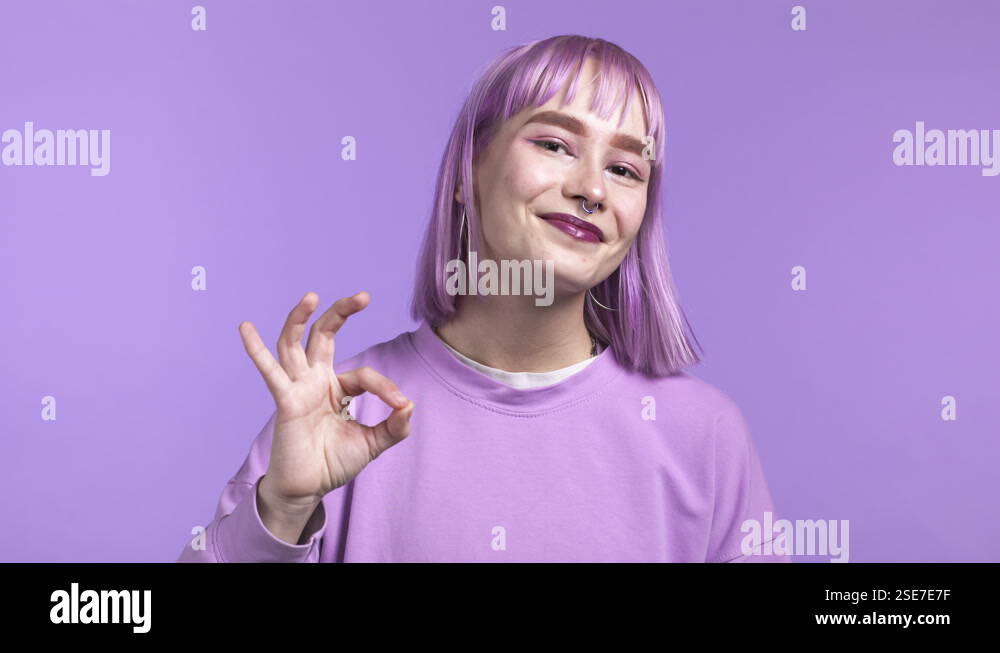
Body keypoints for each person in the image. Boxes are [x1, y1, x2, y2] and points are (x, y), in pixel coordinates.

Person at [177, 34, 790, 563]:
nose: (591, 189)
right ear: (469, 170)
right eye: (555, 144)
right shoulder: (343, 414)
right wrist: (282, 509)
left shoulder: (703, 433)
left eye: (626, 169)